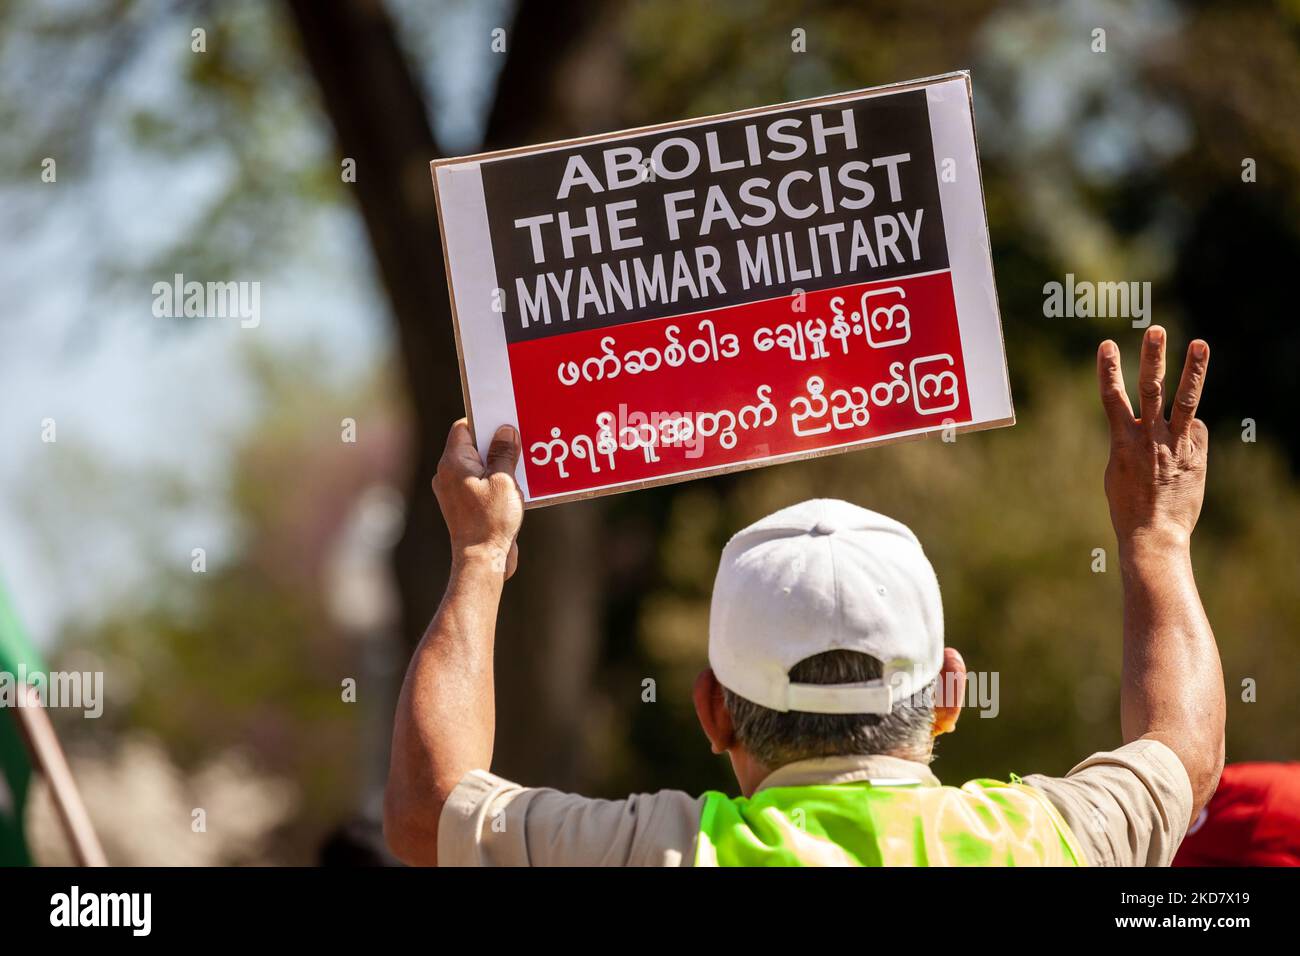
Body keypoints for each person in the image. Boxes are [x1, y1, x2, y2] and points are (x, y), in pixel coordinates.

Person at [383, 326, 1224, 866]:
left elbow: (430, 812)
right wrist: (1156, 534)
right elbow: (1185, 755)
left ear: (713, 711)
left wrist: (480, 555)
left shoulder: (660, 852)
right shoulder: (1043, 842)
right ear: (949, 693)